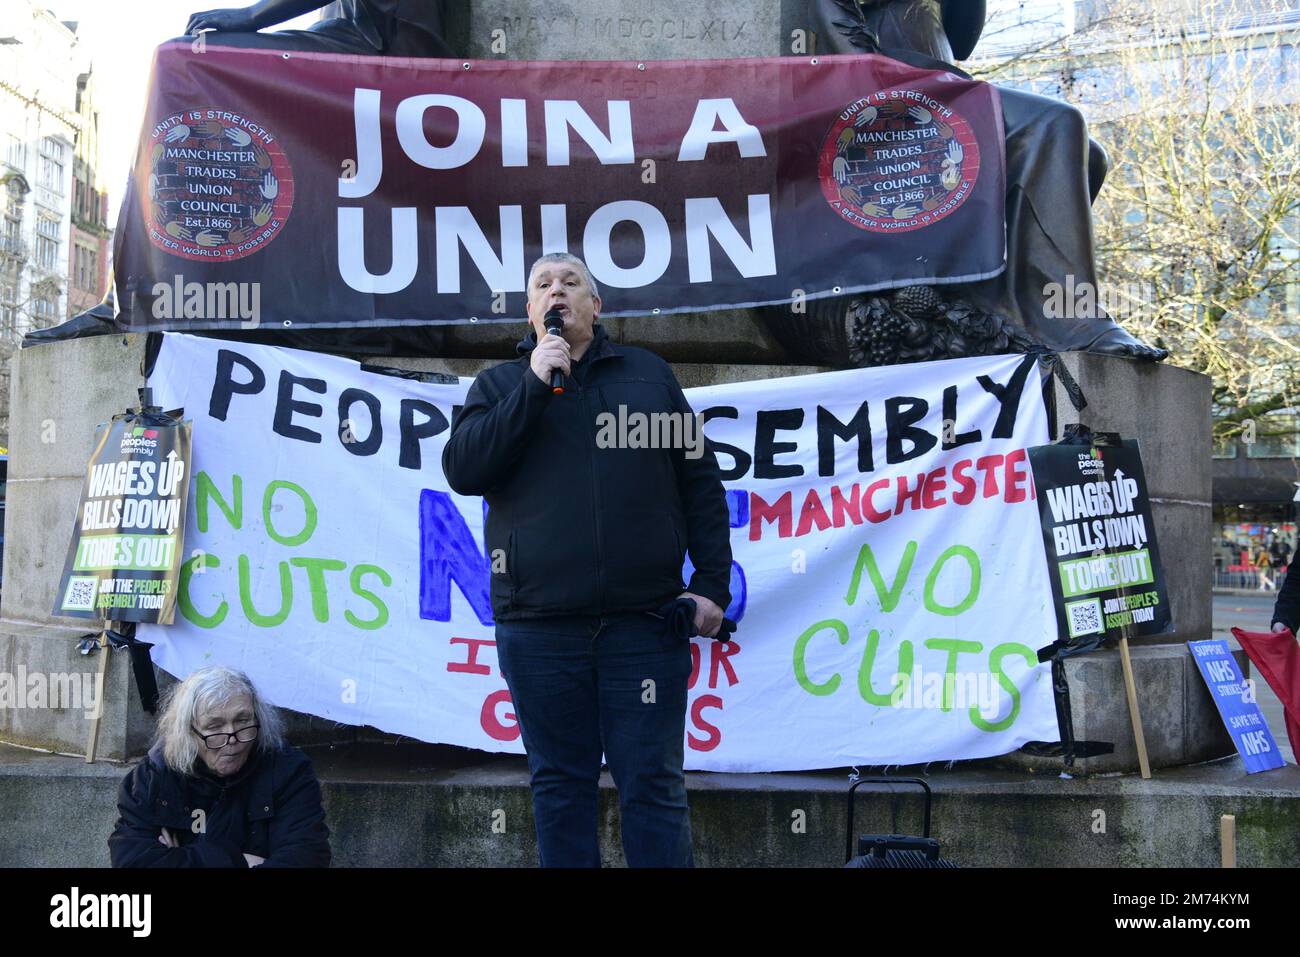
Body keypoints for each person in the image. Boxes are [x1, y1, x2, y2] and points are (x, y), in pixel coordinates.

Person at [441, 252, 733, 867]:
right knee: (560, 785)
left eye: (571, 282)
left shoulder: (649, 377)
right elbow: (466, 471)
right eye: (543, 285)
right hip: (540, 629)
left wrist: (709, 587)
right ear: (529, 310)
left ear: (596, 306)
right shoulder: (499, 386)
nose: (557, 291)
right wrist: (531, 387)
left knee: (652, 785)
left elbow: (699, 484)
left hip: (645, 627)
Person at [108, 665, 331, 867]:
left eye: (243, 721)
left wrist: (180, 857)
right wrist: (239, 861)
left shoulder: (287, 771)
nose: (232, 738)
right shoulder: (154, 776)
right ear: (188, 732)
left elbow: (306, 857)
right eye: (215, 727)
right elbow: (132, 862)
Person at [184, 0, 454, 56]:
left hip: (392, 53)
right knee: (193, 51)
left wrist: (252, 14)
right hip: (357, 41)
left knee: (200, 53)